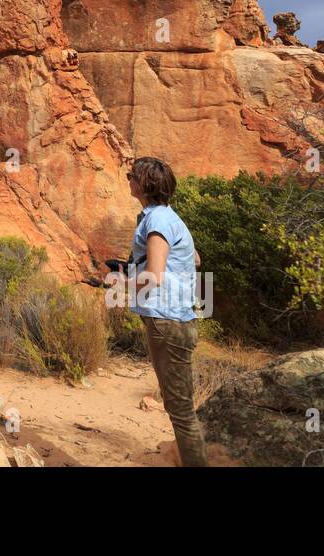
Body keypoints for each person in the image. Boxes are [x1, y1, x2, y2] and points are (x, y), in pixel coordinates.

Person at [125, 156, 208, 467]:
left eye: (130, 175)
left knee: (181, 412)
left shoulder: (157, 221)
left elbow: (155, 277)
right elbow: (195, 258)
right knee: (181, 407)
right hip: (175, 319)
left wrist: (121, 281)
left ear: (144, 184)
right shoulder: (168, 218)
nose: (128, 180)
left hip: (167, 321)